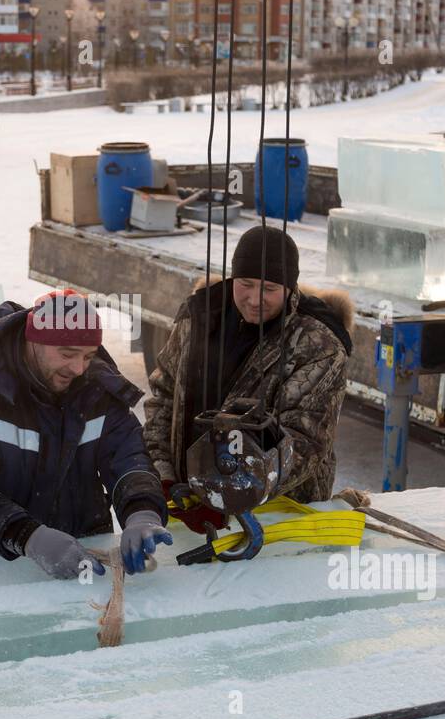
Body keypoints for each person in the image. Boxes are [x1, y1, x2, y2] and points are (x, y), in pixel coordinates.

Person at [0, 289, 171, 577]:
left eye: (88, 356)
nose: (77, 368)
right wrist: (27, 536)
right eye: (67, 354)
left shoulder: (99, 387)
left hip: (76, 557)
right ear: (33, 340)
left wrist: (142, 510)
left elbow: (127, 456)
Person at [144, 226, 354, 533]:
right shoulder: (199, 316)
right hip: (187, 506)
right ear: (232, 278)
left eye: (269, 289)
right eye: (245, 284)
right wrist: (163, 476)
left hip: (275, 520)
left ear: (290, 288)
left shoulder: (319, 344)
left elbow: (305, 441)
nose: (255, 299)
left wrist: (229, 493)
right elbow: (163, 397)